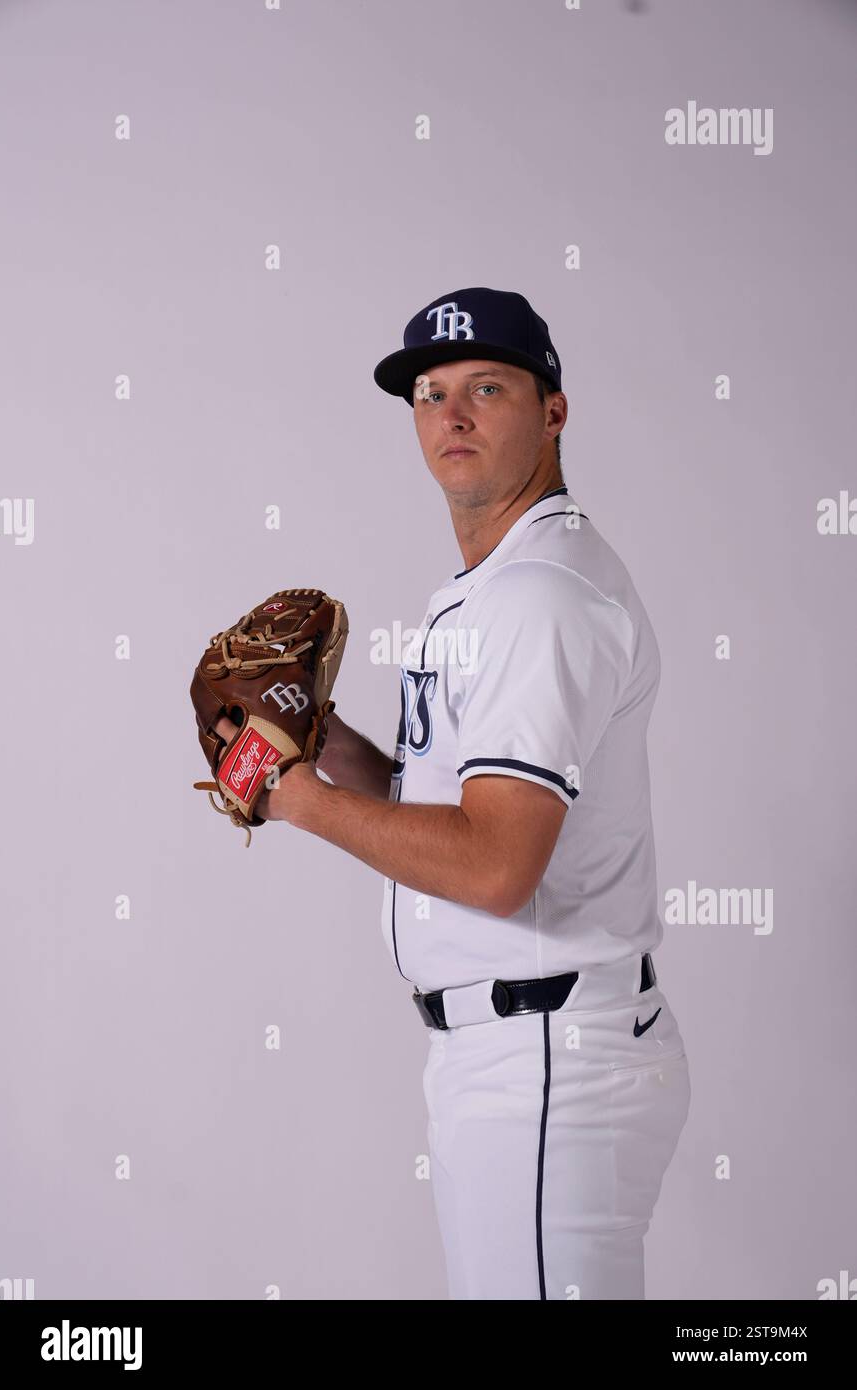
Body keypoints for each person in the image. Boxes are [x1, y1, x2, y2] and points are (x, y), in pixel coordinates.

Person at [212, 286, 691, 1300]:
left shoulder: (536, 599)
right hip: (522, 1052)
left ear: (552, 411)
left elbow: (493, 863)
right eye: (428, 394)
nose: (452, 416)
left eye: (486, 386)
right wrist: (331, 748)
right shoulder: (501, 582)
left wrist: (291, 793)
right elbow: (453, 812)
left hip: (547, 1059)